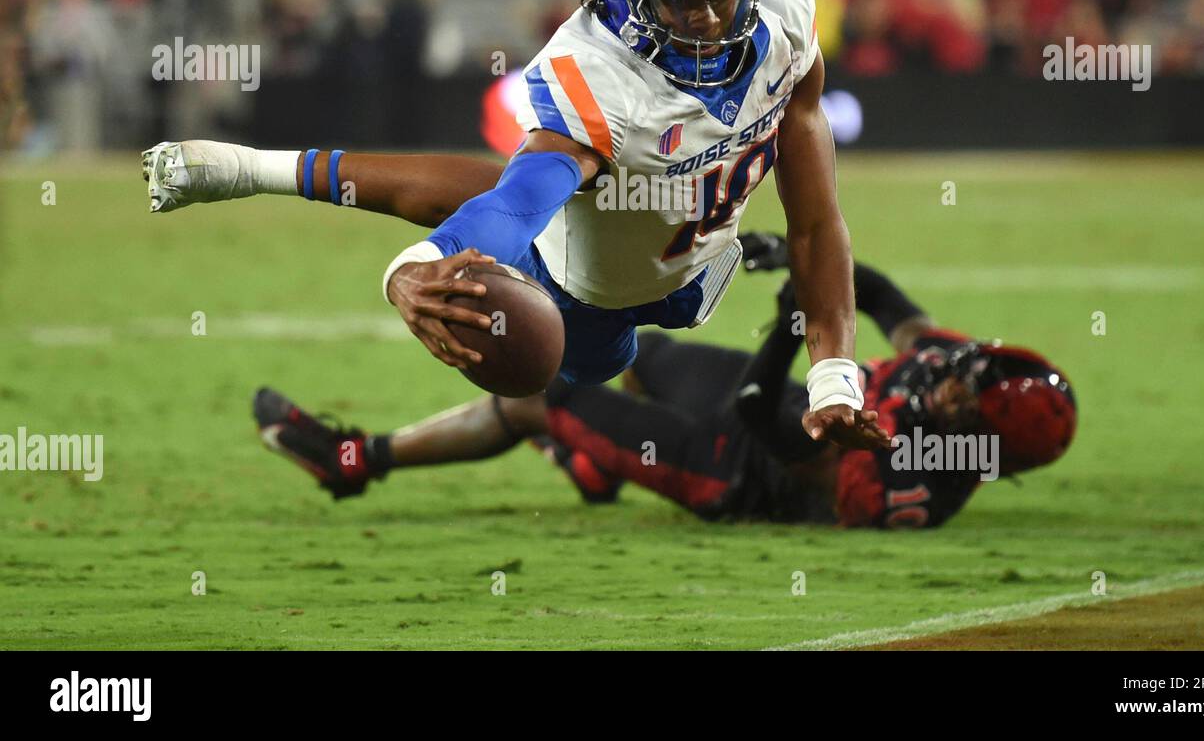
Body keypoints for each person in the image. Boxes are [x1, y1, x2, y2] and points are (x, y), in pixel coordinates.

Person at [144, 0, 884, 449]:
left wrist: (835, 379)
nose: (717, 19)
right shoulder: (599, 76)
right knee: (540, 336)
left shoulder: (782, 3)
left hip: (690, 267)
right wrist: (417, 267)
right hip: (585, 295)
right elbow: (515, 202)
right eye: (685, 1)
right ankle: (251, 168)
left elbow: (817, 220)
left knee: (568, 209)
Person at [251, 233, 1077, 528]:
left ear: (982, 449)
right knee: (620, 352)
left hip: (734, 466)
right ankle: (591, 463)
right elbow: (896, 305)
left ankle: (355, 461)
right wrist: (806, 261)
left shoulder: (910, 478)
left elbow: (759, 422)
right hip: (780, 405)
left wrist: (792, 327)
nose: (956, 380)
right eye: (971, 373)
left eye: (970, 398)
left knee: (538, 399)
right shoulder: (950, 374)